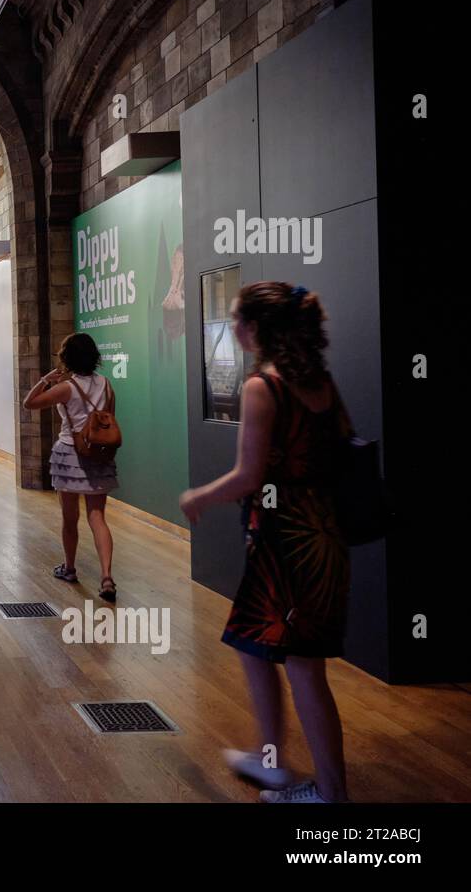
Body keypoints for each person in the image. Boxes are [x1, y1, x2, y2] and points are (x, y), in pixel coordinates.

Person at [180, 282, 353, 804]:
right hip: (322, 534)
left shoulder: (263, 388)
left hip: (285, 542)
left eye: (237, 320)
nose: (233, 328)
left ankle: (332, 796)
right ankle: (272, 758)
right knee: (256, 648)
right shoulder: (321, 384)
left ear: (257, 329)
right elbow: (341, 448)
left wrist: (200, 496)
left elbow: (249, 474)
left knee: (302, 667)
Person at [22, 332, 119, 601]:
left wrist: (44, 380)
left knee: (70, 518)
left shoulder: (68, 388)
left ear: (68, 358)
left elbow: (29, 403)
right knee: (97, 516)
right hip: (100, 455)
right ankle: (107, 576)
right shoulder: (107, 385)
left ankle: (70, 567)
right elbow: (109, 419)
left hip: (70, 454)